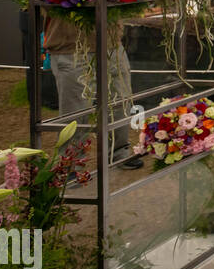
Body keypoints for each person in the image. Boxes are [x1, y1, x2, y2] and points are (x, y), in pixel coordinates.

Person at [44, 15, 143, 169]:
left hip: (111, 44)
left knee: (120, 101)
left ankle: (118, 153)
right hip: (70, 47)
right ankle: (71, 164)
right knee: (76, 110)